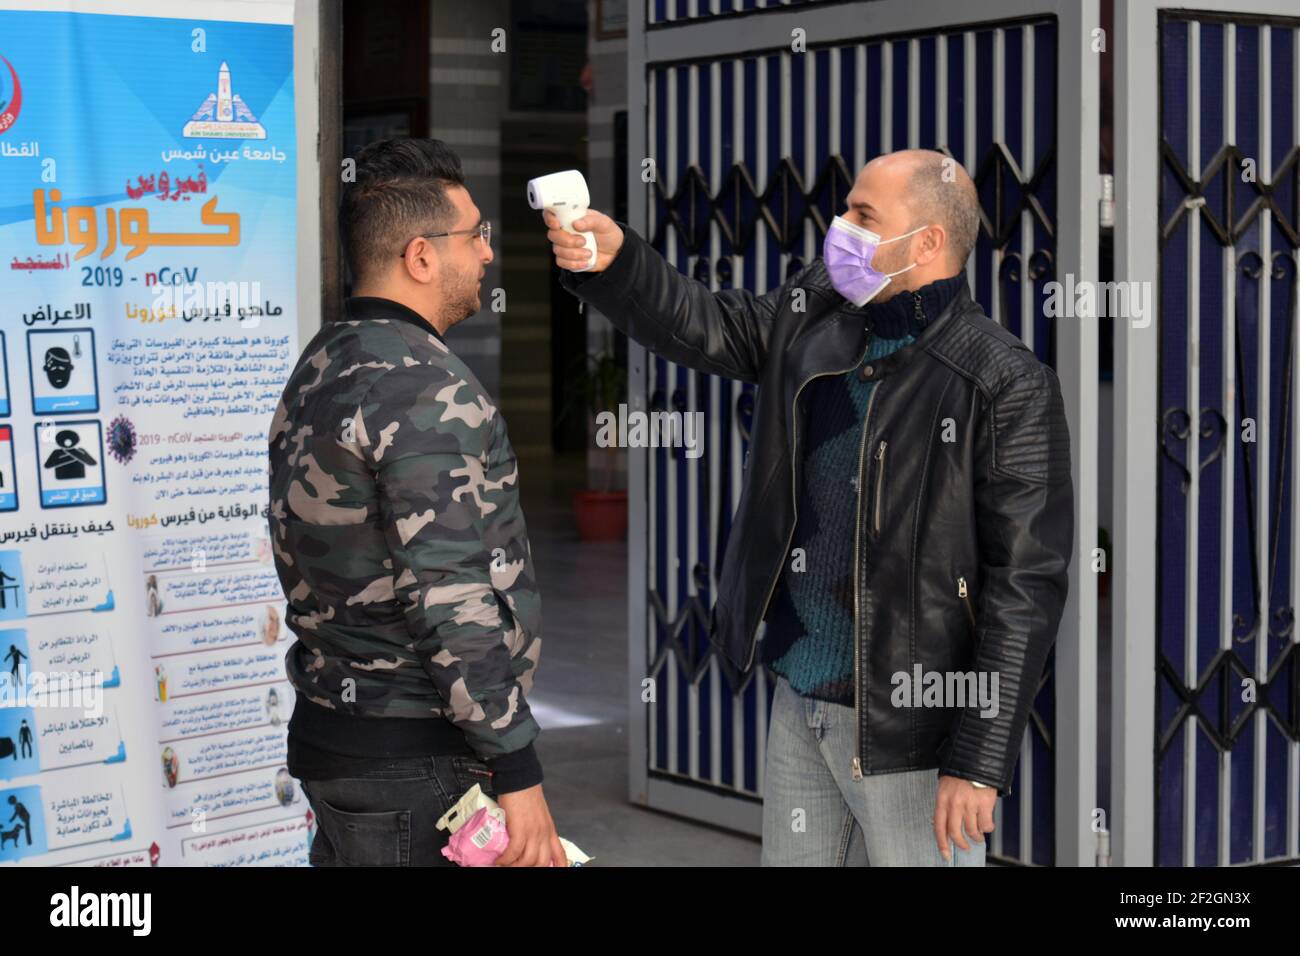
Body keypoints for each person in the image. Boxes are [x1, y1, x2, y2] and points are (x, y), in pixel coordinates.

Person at [548, 149, 1073, 866]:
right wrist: (614, 264)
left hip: (909, 723)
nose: (839, 228)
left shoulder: (1003, 382)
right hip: (804, 696)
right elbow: (712, 325)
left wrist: (979, 760)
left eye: (863, 215)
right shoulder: (820, 308)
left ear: (926, 243)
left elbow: (1026, 585)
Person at [269, 138, 564, 867]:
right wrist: (517, 766)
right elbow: (448, 594)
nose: (489, 255)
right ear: (422, 257)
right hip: (419, 757)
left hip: (336, 742)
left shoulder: (321, 362)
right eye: (477, 237)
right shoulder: (427, 388)